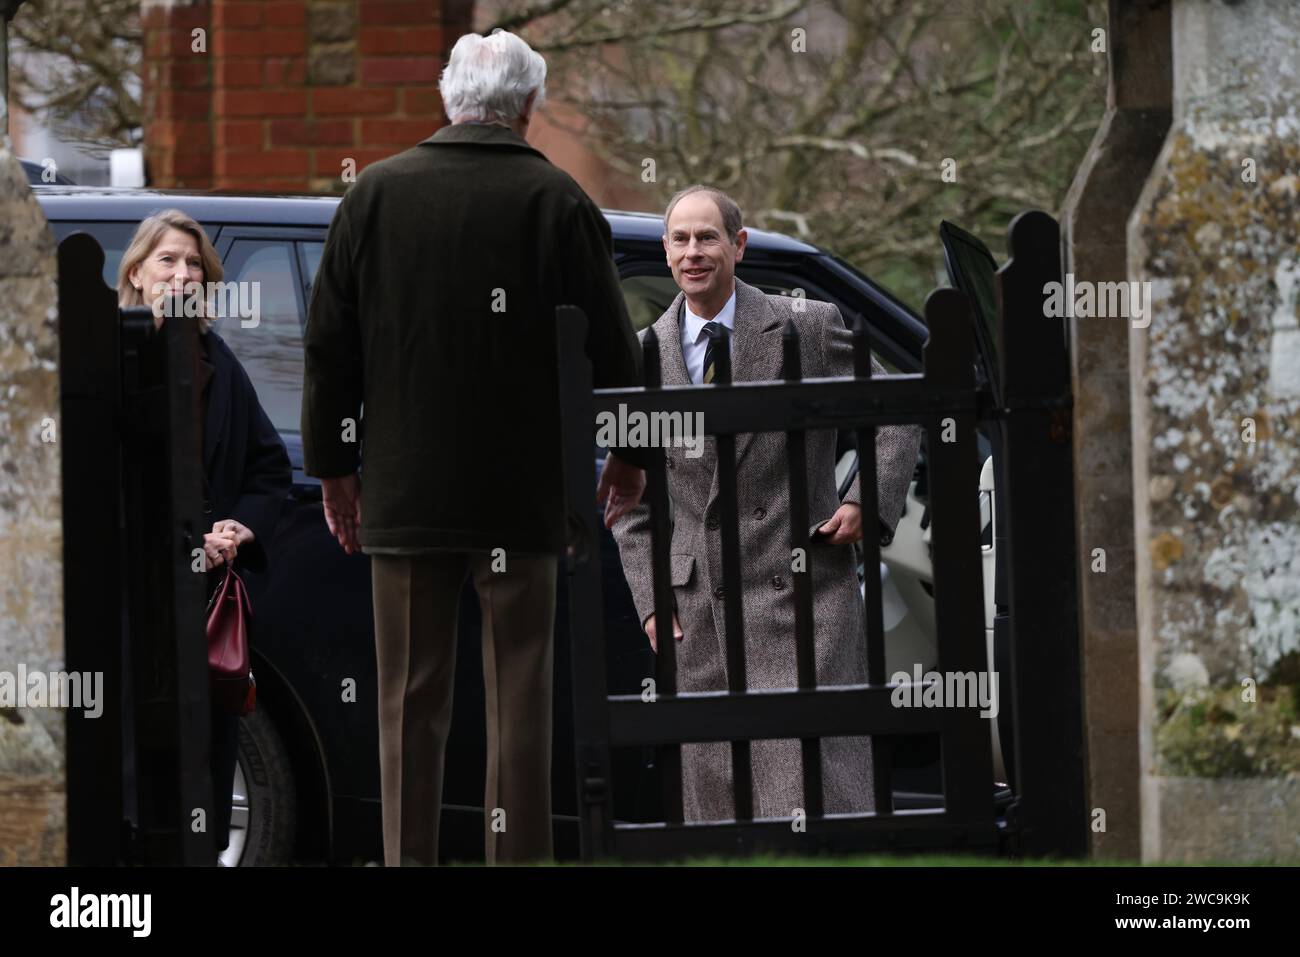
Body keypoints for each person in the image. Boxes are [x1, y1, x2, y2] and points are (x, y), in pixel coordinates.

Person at [301, 30, 646, 866]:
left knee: (408, 704)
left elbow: (328, 347)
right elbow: (613, 346)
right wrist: (631, 454)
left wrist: (336, 470)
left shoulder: (373, 196)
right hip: (520, 494)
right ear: (528, 107)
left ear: (448, 99)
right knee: (520, 703)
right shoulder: (558, 201)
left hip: (406, 490)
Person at [611, 186, 923, 822]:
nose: (693, 252)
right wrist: (651, 601)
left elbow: (900, 409)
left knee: (812, 794)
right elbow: (631, 500)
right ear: (666, 252)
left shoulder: (804, 326)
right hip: (700, 612)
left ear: (738, 246)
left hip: (802, 597)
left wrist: (865, 499)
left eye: (708, 238)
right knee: (719, 807)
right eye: (680, 239)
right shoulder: (646, 353)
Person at [117, 209, 292, 860]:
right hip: (129, 603)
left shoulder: (218, 362)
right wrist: (178, 539)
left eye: (194, 264)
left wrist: (237, 527)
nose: (183, 273)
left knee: (202, 766)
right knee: (131, 774)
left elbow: (269, 466)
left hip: (204, 603)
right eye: (168, 260)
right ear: (137, 273)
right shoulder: (110, 357)